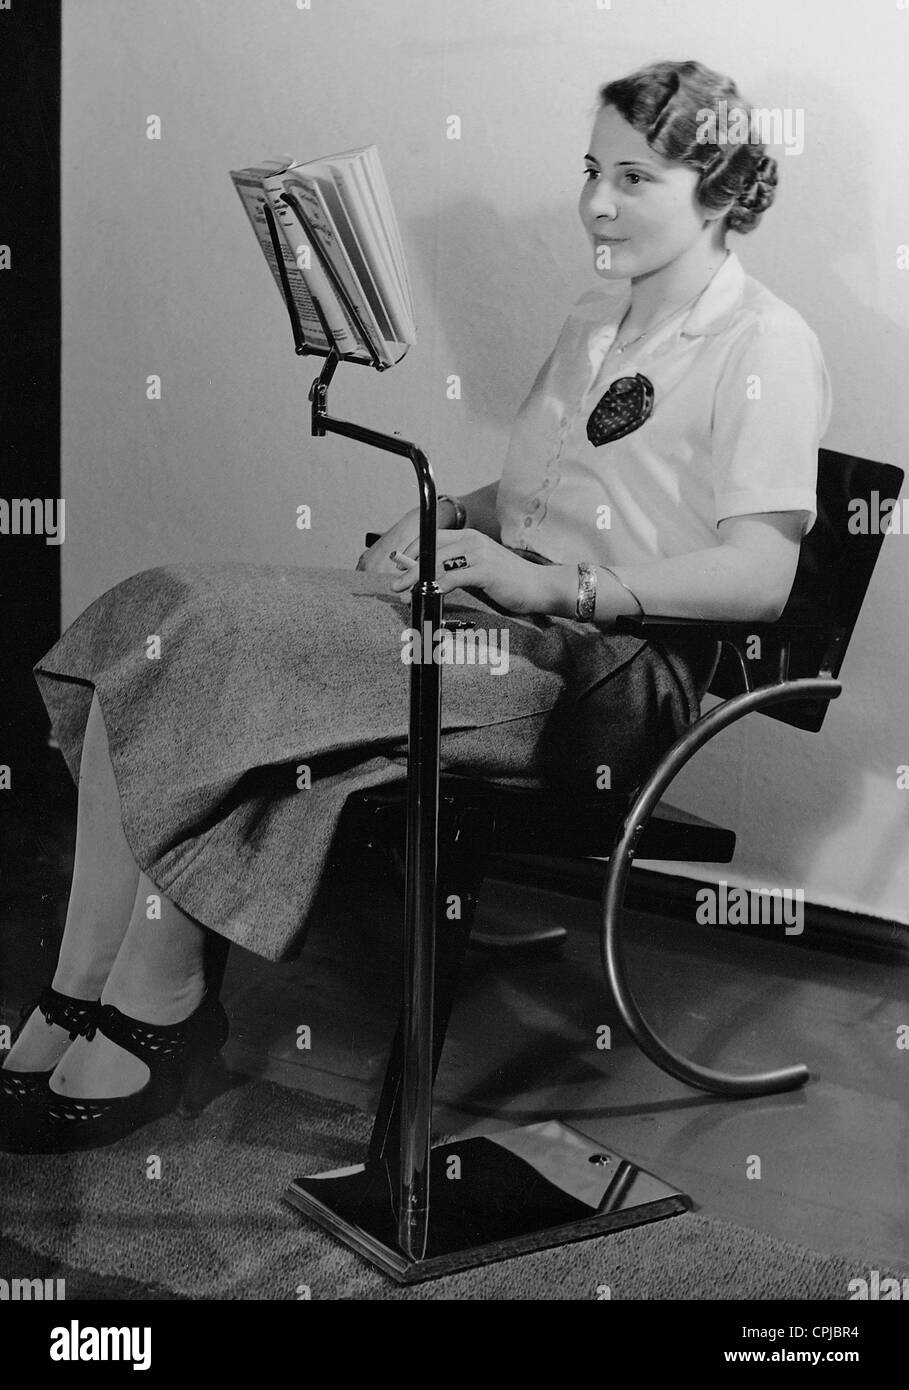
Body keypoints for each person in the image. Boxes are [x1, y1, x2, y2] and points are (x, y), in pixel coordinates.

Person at [0, 58, 831, 1152]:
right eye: (591, 170)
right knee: (157, 616)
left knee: (212, 646)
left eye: (635, 178)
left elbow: (760, 575)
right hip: (504, 620)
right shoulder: (595, 316)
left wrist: (564, 584)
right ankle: (83, 979)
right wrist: (443, 522)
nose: (596, 201)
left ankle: (161, 1005)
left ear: (718, 191)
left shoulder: (766, 342)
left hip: (612, 676)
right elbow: (535, 489)